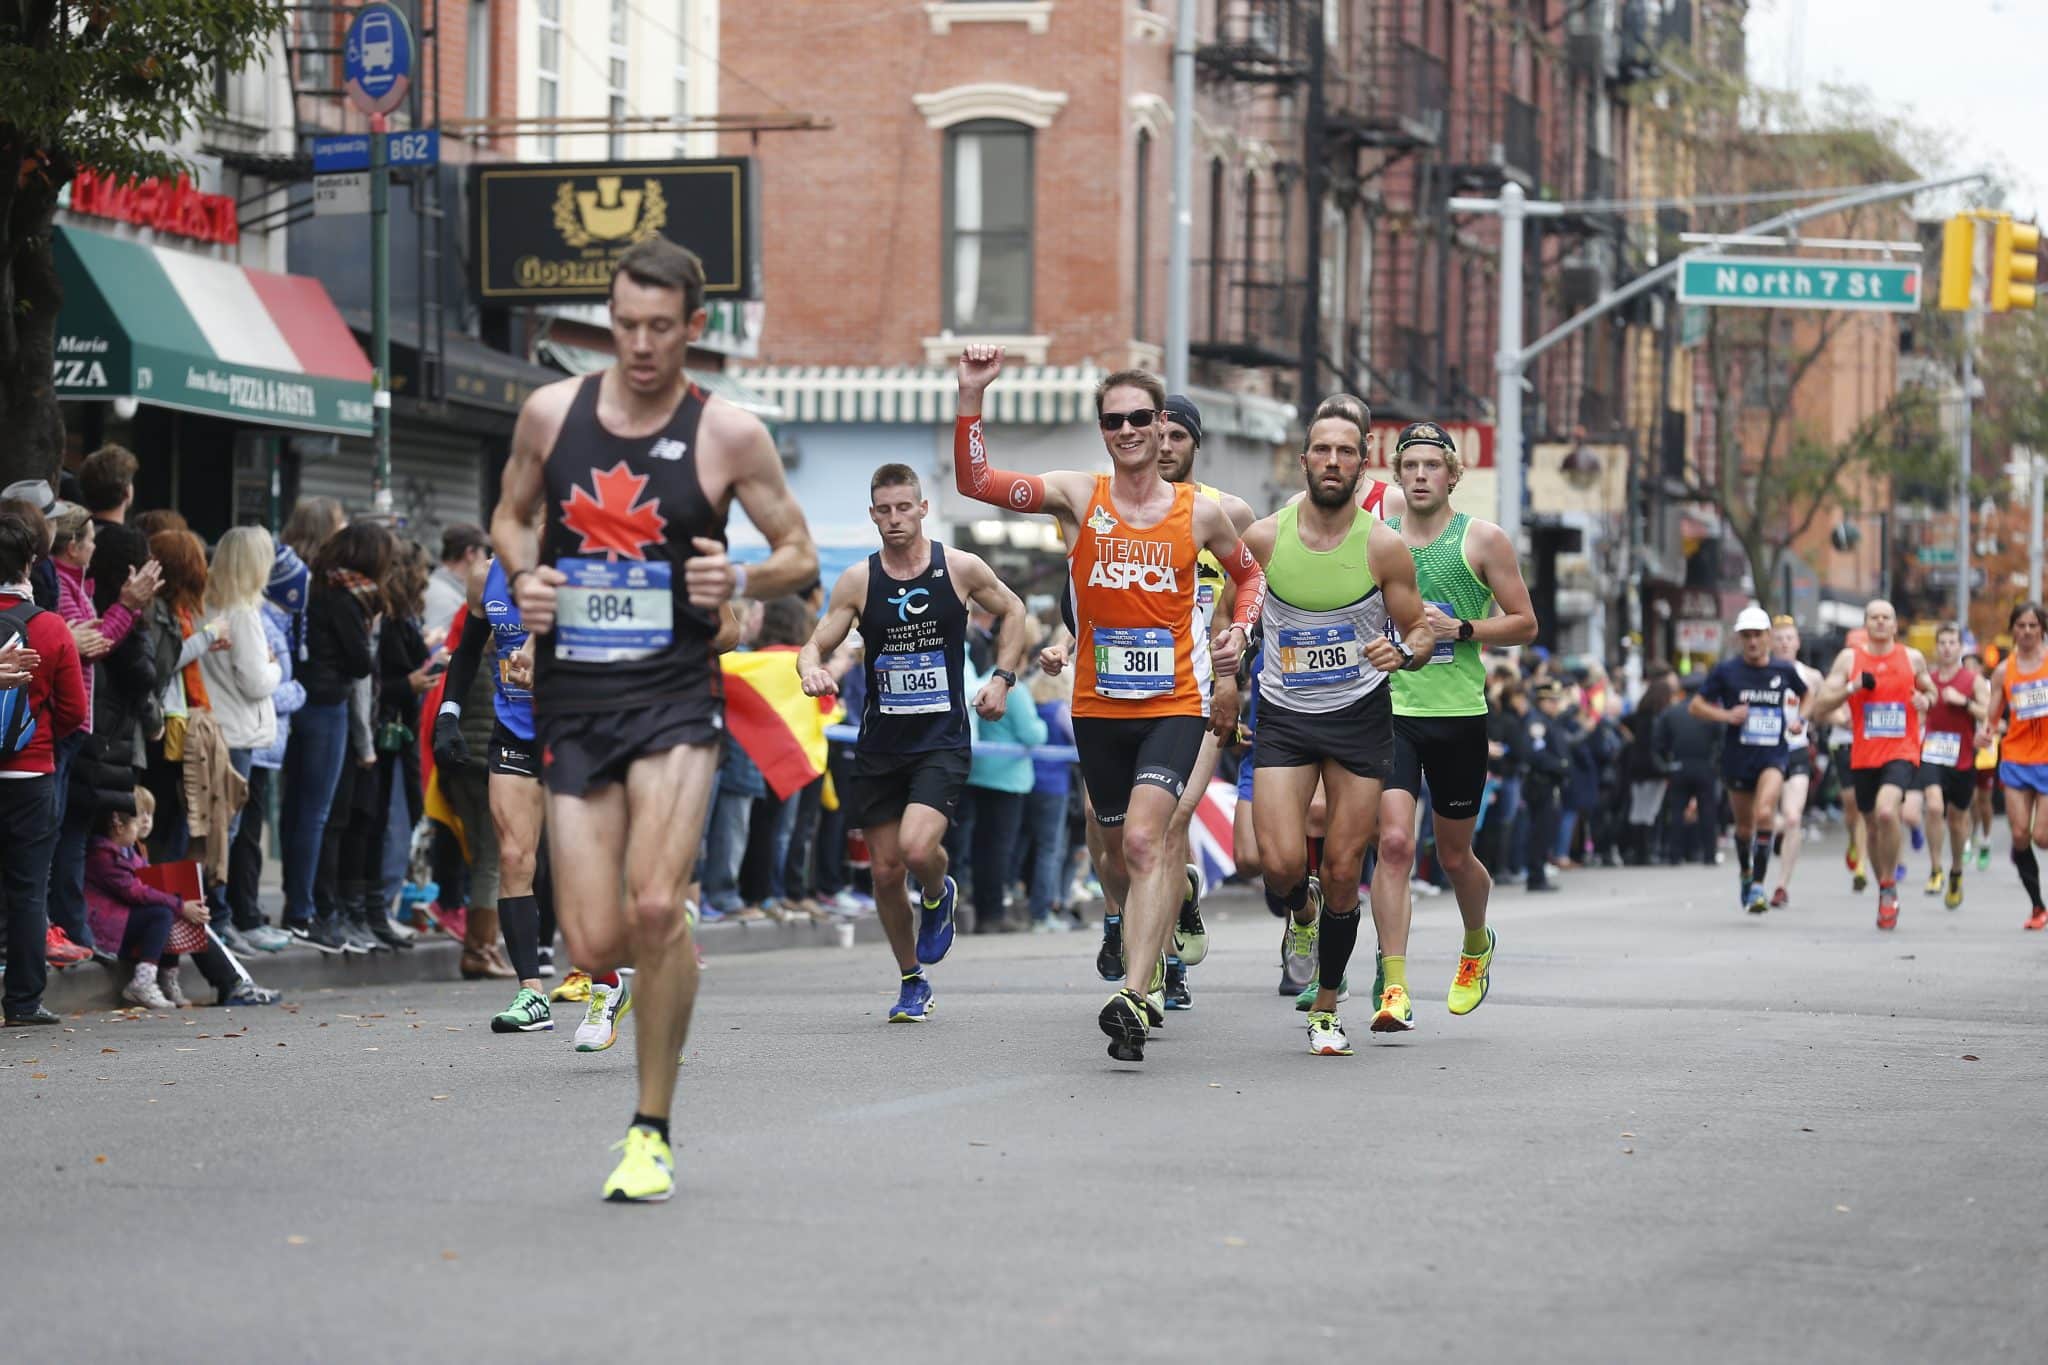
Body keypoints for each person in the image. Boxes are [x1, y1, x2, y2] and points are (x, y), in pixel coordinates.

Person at [494, 236, 816, 1202]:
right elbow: (510, 516)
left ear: (694, 327)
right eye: (625, 325)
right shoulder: (552, 413)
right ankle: (664, 954)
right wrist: (525, 577)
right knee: (592, 943)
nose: (640, 345)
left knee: (648, 902)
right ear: (610, 316)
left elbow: (796, 546)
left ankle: (651, 1125)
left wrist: (746, 575)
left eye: (660, 329)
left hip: (677, 692)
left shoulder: (729, 433)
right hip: (579, 694)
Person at [952, 344, 1264, 1063]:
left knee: (1145, 840)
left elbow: (1250, 580)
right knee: (1116, 849)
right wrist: (972, 394)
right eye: (1112, 420)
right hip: (1097, 706)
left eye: (1138, 418)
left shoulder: (1203, 515)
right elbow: (976, 481)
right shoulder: (1077, 495)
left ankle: (1135, 990)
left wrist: (1238, 637)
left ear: (1162, 427)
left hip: (1174, 703)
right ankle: (1145, 948)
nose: (1125, 430)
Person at [796, 463, 1025, 1017]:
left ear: (923, 509)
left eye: (904, 507)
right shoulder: (859, 580)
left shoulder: (961, 568)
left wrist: (1002, 678)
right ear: (872, 514)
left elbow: (1013, 609)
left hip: (940, 739)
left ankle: (938, 889)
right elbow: (817, 641)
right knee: (882, 871)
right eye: (884, 510)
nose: (895, 519)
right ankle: (911, 978)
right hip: (880, 743)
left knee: (917, 849)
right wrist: (809, 669)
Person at [1240, 398, 1432, 1055]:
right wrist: (1227, 657)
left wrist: (1403, 652)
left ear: (1362, 461)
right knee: (1280, 861)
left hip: (1359, 718)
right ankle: (1301, 909)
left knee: (1346, 867)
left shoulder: (1383, 545)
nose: (1332, 460)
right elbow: (1233, 615)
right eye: (1321, 449)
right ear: (1304, 461)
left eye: (1345, 451)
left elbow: (1419, 632)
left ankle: (1326, 1003)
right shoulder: (1265, 538)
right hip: (1286, 716)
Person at [1371, 421, 1537, 1031]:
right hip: (1390, 712)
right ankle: (1393, 984)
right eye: (1409, 465)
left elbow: (1524, 623)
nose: (1419, 475)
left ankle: (1475, 945)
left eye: (1431, 466)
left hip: (1458, 714)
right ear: (1397, 474)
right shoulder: (1376, 538)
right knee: (1392, 844)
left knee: (1454, 854)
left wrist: (1462, 629)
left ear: (1452, 475)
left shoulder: (1483, 540)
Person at [433, 551, 565, 1032]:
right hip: (515, 731)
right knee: (513, 857)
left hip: (577, 731)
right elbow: (468, 650)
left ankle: (605, 981)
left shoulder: (586, 569)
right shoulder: (484, 575)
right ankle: (531, 994)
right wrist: (448, 713)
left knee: (580, 862)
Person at [1153, 393, 1251, 1008]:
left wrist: (1230, 667)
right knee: (1115, 825)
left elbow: (1253, 586)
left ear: (1195, 444)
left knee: (1171, 820)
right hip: (1124, 690)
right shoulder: (1113, 509)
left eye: (1176, 437)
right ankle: (1166, 904)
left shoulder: (1224, 512)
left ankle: (1163, 968)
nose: (1164, 447)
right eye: (1156, 434)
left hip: (1197, 688)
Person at [0, 511, 88, 1024]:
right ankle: (24, 1000)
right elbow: (77, 712)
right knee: (29, 890)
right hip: (32, 776)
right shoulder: (51, 628)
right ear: (31, 563)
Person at [283, 522, 388, 952]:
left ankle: (301, 903)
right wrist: (371, 631)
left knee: (298, 809)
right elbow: (361, 664)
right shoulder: (347, 599)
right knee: (318, 813)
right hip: (327, 706)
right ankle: (306, 911)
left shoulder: (316, 588)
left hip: (302, 700)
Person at [1803, 599, 1935, 930]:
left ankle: (1889, 886)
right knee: (1872, 826)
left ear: (1894, 625)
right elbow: (1819, 708)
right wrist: (1853, 687)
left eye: (1885, 617)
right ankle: (1884, 887)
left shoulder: (1911, 657)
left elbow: (1930, 689)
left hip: (1902, 750)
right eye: (1873, 617)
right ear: (1865, 625)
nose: (1879, 622)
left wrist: (1925, 700)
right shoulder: (1850, 659)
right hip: (1863, 755)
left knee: (1887, 811)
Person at [1689, 605, 1810, 914]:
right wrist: (1727, 715)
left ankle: (1758, 885)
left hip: (1773, 753)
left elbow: (1808, 695)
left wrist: (1801, 720)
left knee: (1766, 811)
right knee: (1744, 829)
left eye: (1758, 635)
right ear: (1739, 639)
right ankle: (1745, 872)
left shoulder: (1783, 671)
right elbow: (1696, 706)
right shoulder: (1726, 672)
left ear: (1768, 637)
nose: (1753, 642)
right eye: (1747, 636)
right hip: (1738, 757)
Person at [198, 528, 283, 932]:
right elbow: (256, 680)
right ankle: (218, 916)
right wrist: (275, 665)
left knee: (210, 829)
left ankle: (212, 913)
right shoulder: (244, 613)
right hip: (238, 733)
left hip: (210, 726)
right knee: (226, 832)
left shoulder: (203, 605)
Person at [226, 545, 309, 953]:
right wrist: (295, 689)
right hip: (252, 741)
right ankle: (240, 916)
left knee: (249, 834)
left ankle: (245, 914)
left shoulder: (271, 619)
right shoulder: (253, 616)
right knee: (242, 837)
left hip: (264, 741)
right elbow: (264, 686)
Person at [1977, 602, 2048, 929]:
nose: (2028, 631)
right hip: (2017, 756)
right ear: (2013, 629)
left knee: (2042, 837)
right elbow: (1992, 716)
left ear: (2042, 629)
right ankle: (2038, 907)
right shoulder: (2005, 671)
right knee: (2020, 835)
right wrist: (1985, 733)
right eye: (2022, 625)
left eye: (2034, 625)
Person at [1907, 623, 1985, 909]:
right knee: (1935, 806)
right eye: (1942, 643)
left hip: (1963, 758)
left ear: (1960, 648)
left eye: (1953, 643)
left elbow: (1987, 714)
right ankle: (1936, 868)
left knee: (1956, 820)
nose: (1947, 648)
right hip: (1932, 753)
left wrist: (1964, 702)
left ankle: (1955, 872)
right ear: (1936, 647)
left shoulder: (1972, 680)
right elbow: (1915, 708)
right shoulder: (1928, 680)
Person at [1766, 617, 1824, 907]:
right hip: (1765, 751)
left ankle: (1781, 886)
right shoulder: (1760, 672)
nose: (1785, 643)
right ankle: (1768, 838)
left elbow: (1826, 709)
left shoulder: (1811, 676)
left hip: (1797, 750)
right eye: (1779, 639)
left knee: (1792, 818)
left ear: (1798, 642)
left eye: (1790, 638)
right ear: (1771, 643)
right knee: (1762, 817)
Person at [424, 524, 489, 643]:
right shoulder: (444, 597)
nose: (486, 559)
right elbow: (435, 649)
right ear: (470, 553)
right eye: (483, 551)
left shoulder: (438, 586)